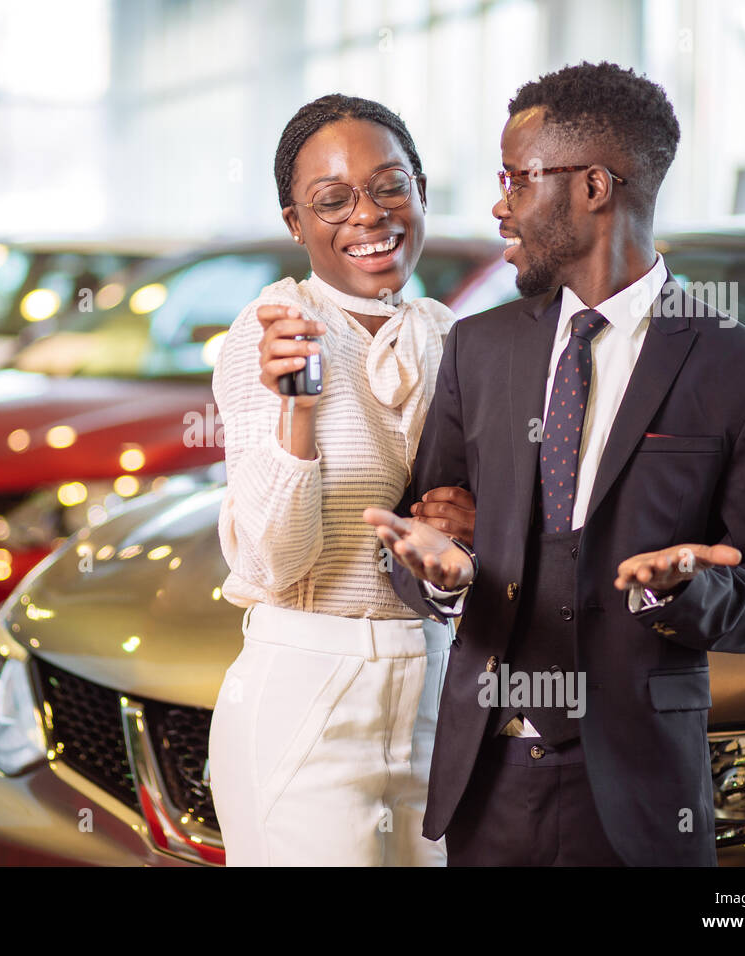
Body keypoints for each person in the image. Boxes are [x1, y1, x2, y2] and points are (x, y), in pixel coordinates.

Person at [364, 62, 745, 866]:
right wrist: (443, 575)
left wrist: (682, 589)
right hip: (487, 780)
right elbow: (418, 535)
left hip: (639, 800)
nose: (499, 204)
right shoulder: (479, 348)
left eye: (516, 179)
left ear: (594, 185)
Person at [209, 93, 473, 866]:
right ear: (296, 223)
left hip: (435, 689)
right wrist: (298, 415)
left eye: (391, 185)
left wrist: (466, 526)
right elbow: (270, 564)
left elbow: (484, 553)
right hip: (307, 692)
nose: (368, 214)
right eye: (332, 200)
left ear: (421, 190)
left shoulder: (451, 339)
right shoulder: (272, 334)